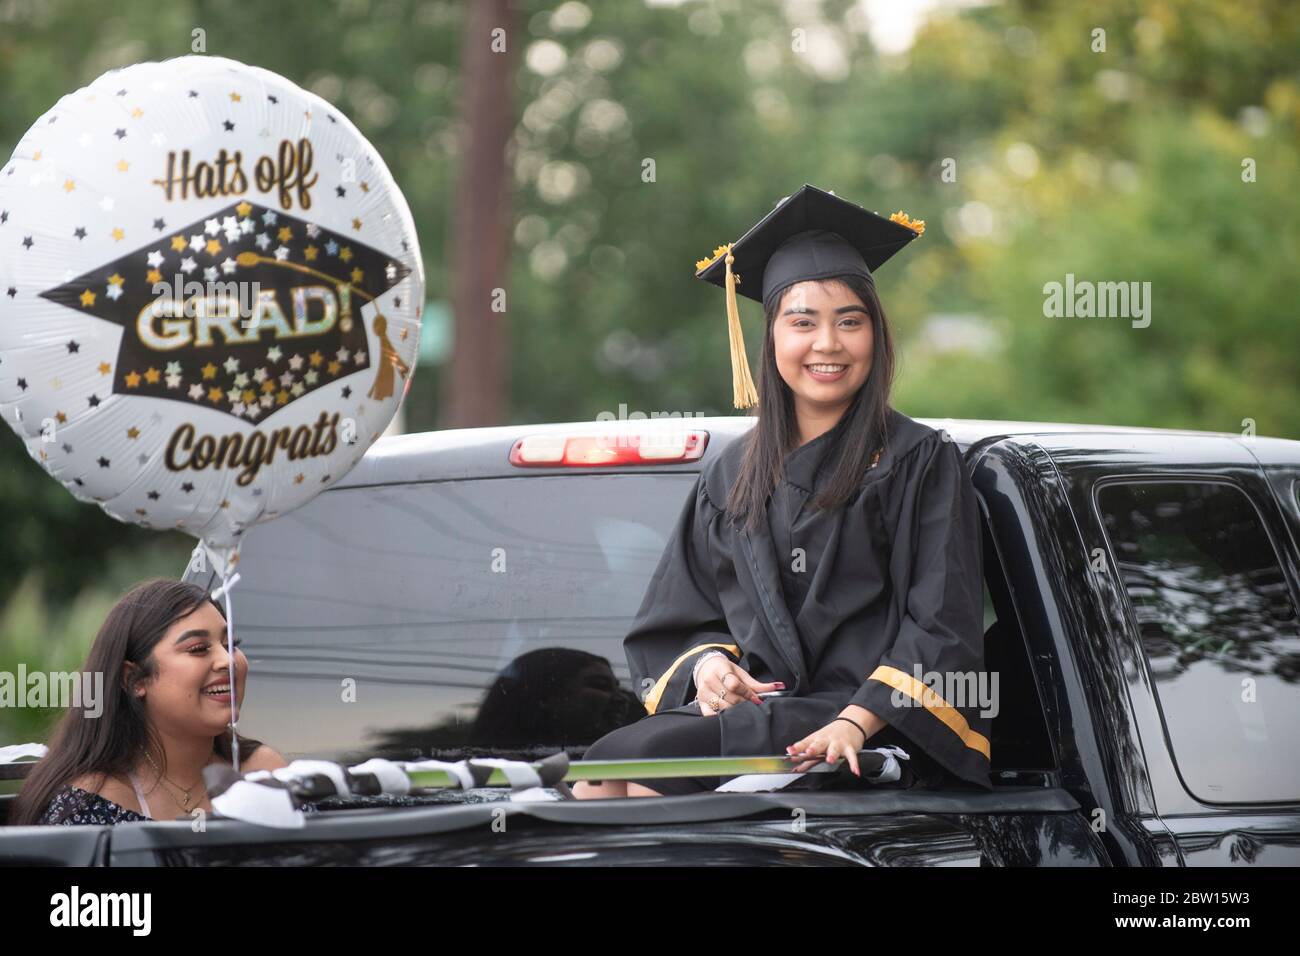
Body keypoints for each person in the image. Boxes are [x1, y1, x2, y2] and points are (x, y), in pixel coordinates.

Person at [575, 185, 992, 798]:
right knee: (605, 766)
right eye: (803, 322)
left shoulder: (919, 461)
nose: (827, 343)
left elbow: (943, 626)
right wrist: (712, 668)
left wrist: (854, 720)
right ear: (771, 338)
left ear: (876, 336)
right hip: (766, 713)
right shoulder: (732, 473)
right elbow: (681, 617)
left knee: (647, 771)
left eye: (850, 321)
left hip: (872, 724)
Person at [10, 578, 287, 825]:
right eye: (198, 649)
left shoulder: (265, 773)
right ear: (134, 680)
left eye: (230, 644)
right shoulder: (91, 806)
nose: (228, 661)